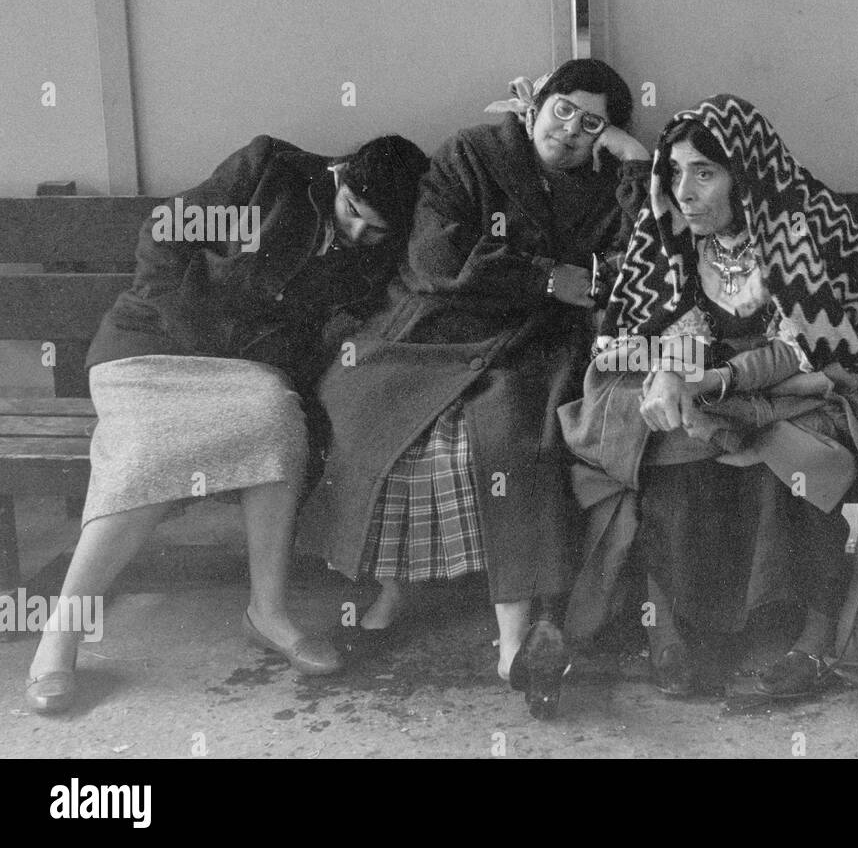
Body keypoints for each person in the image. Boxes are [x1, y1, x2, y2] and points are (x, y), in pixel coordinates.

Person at [25, 133, 429, 713]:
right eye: (352, 213)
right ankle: (58, 638)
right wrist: (210, 344)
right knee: (146, 452)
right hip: (151, 345)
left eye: (378, 230)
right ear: (339, 179)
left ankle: (268, 613)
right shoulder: (269, 175)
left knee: (277, 423)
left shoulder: (380, 252)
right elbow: (162, 242)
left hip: (251, 373)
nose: (360, 235)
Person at [297, 59, 650, 719]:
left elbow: (642, 257)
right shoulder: (472, 155)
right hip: (428, 331)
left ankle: (516, 644)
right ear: (534, 106)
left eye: (593, 124)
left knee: (517, 443)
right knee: (383, 427)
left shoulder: (603, 185)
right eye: (563, 110)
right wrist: (546, 277)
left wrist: (633, 163)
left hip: (529, 346)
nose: (571, 131)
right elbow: (435, 261)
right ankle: (392, 595)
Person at [560, 95, 858, 699]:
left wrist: (711, 381)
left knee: (798, 458)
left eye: (705, 171)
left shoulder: (810, 220)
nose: (685, 190)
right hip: (701, 377)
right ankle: (675, 627)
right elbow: (641, 325)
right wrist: (678, 371)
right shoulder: (668, 227)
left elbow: (812, 347)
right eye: (674, 171)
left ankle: (810, 631)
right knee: (665, 441)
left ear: (744, 173)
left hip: (801, 384)